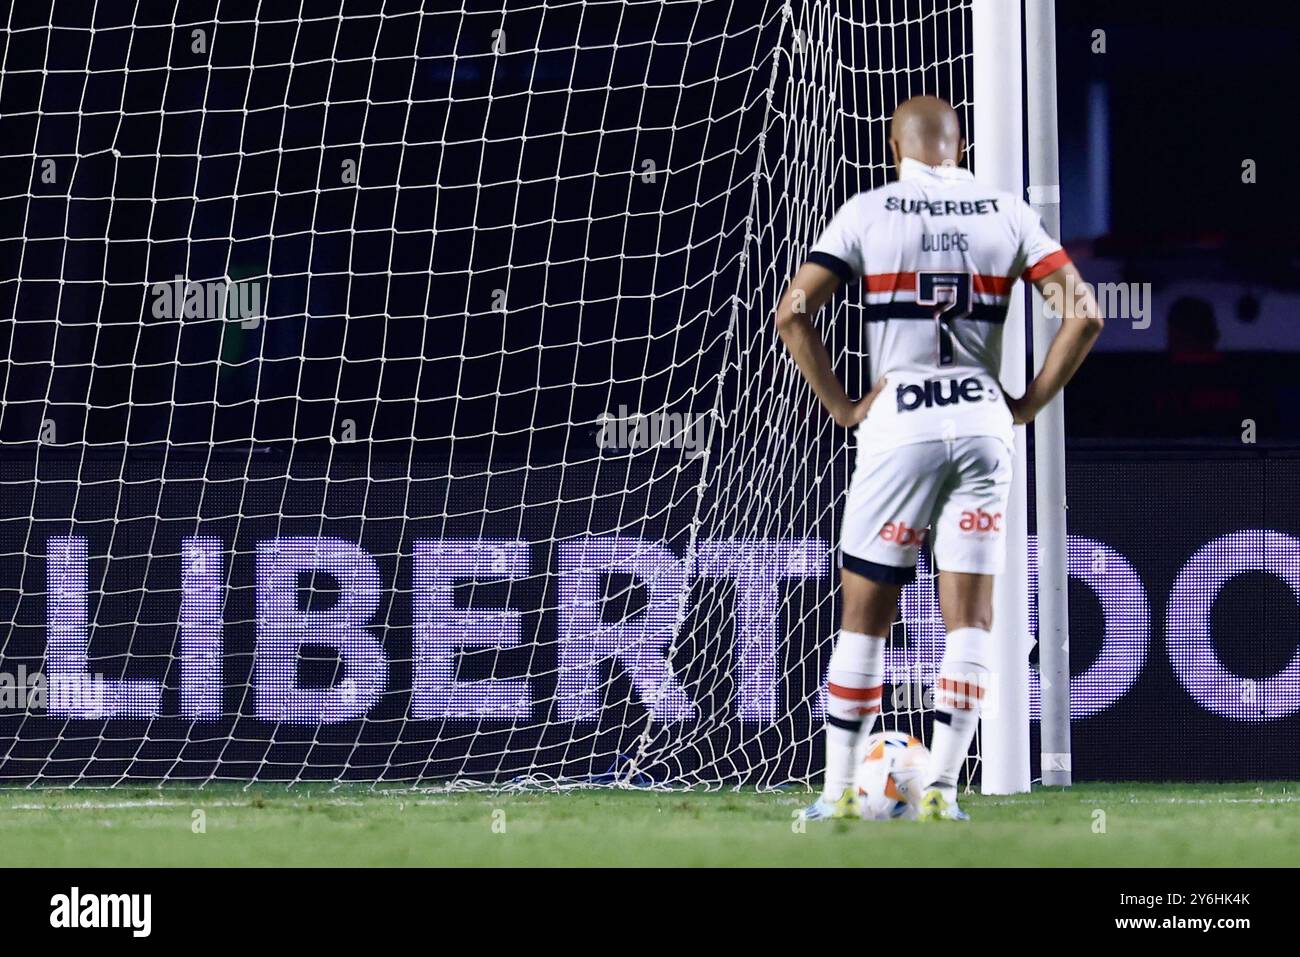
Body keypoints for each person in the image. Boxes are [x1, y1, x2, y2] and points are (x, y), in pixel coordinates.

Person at [774, 95, 1103, 821]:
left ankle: (837, 798)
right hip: (984, 424)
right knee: (972, 623)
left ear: (896, 145)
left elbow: (793, 313)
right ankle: (945, 793)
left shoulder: (870, 210)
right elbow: (1086, 312)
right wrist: (1024, 405)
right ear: (960, 146)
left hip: (901, 423)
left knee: (864, 618)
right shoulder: (1007, 212)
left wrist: (840, 403)